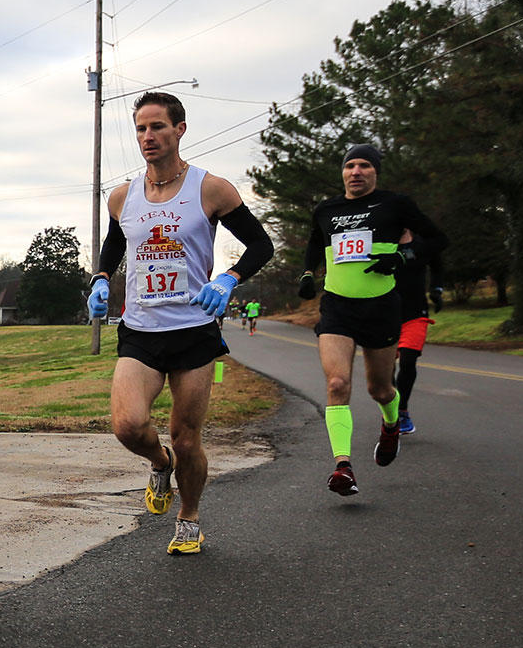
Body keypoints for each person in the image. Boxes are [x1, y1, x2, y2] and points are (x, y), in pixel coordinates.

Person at [86, 91, 274, 554]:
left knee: (188, 438)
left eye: (157, 127)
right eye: (141, 129)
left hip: (193, 330)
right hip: (141, 330)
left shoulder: (211, 189)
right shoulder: (123, 196)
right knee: (128, 425)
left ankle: (189, 518)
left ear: (179, 130)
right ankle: (158, 462)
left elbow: (260, 245)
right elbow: (115, 243)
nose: (148, 137)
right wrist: (100, 279)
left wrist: (229, 279)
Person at [297, 144, 438, 495]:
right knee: (337, 385)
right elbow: (315, 244)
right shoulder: (327, 209)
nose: (356, 171)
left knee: (380, 388)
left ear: (375, 172)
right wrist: (306, 273)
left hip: (381, 307)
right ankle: (342, 466)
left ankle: (391, 424)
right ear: (342, 172)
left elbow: (437, 239)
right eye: (350, 166)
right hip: (338, 308)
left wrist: (403, 256)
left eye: (364, 166)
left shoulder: (395, 204)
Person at [391, 206, 448, 434]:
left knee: (407, 361)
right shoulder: (380, 244)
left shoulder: (423, 243)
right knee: (384, 373)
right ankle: (391, 410)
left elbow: (437, 265)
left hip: (415, 314)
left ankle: (402, 411)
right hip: (384, 315)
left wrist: (436, 289)